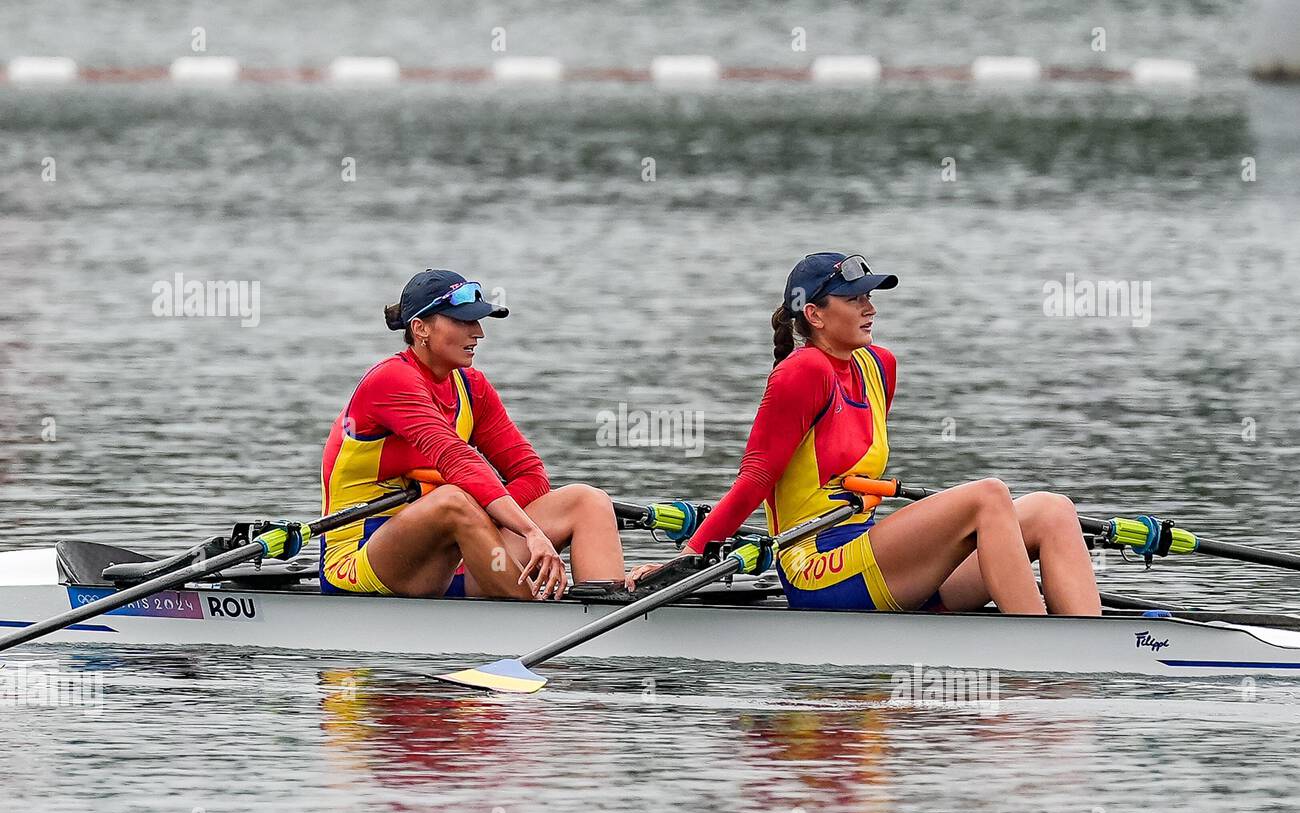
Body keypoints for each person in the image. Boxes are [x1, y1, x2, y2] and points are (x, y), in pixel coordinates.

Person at [671, 252, 1101, 616]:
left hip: (871, 555)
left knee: (1052, 509)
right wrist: (689, 556)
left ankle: (1091, 648)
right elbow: (755, 479)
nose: (869, 308)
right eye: (854, 299)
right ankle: (1041, 646)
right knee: (989, 495)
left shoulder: (879, 366)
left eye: (869, 297)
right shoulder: (801, 372)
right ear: (815, 314)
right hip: (817, 568)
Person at [320, 268, 629, 600]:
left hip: (453, 554)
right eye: (463, 322)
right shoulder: (390, 381)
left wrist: (481, 529)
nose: (478, 332)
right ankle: (536, 612)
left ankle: (606, 608)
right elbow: (456, 458)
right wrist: (528, 531)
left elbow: (530, 474)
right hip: (363, 559)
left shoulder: (472, 388)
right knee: (454, 500)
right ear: (420, 328)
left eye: (477, 322)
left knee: (588, 501)